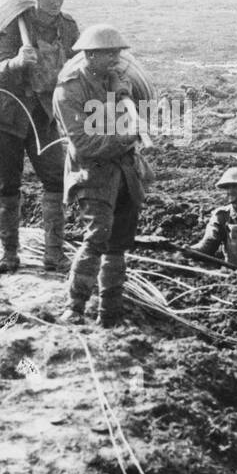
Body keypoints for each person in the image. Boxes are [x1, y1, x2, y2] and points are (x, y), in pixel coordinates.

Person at [0, 0, 80, 273]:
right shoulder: (15, 25)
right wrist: (18, 62)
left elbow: (78, 66)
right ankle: (9, 254)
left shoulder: (68, 28)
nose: (55, 1)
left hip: (43, 115)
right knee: (7, 183)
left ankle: (54, 254)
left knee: (54, 178)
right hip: (7, 113)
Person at [52, 24, 145, 326]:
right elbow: (84, 142)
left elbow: (128, 112)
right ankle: (74, 307)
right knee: (96, 238)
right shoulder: (69, 90)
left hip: (124, 173)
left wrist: (126, 106)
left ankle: (110, 312)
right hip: (92, 175)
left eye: (118, 53)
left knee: (118, 243)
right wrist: (125, 138)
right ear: (90, 55)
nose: (116, 59)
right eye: (109, 54)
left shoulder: (117, 83)